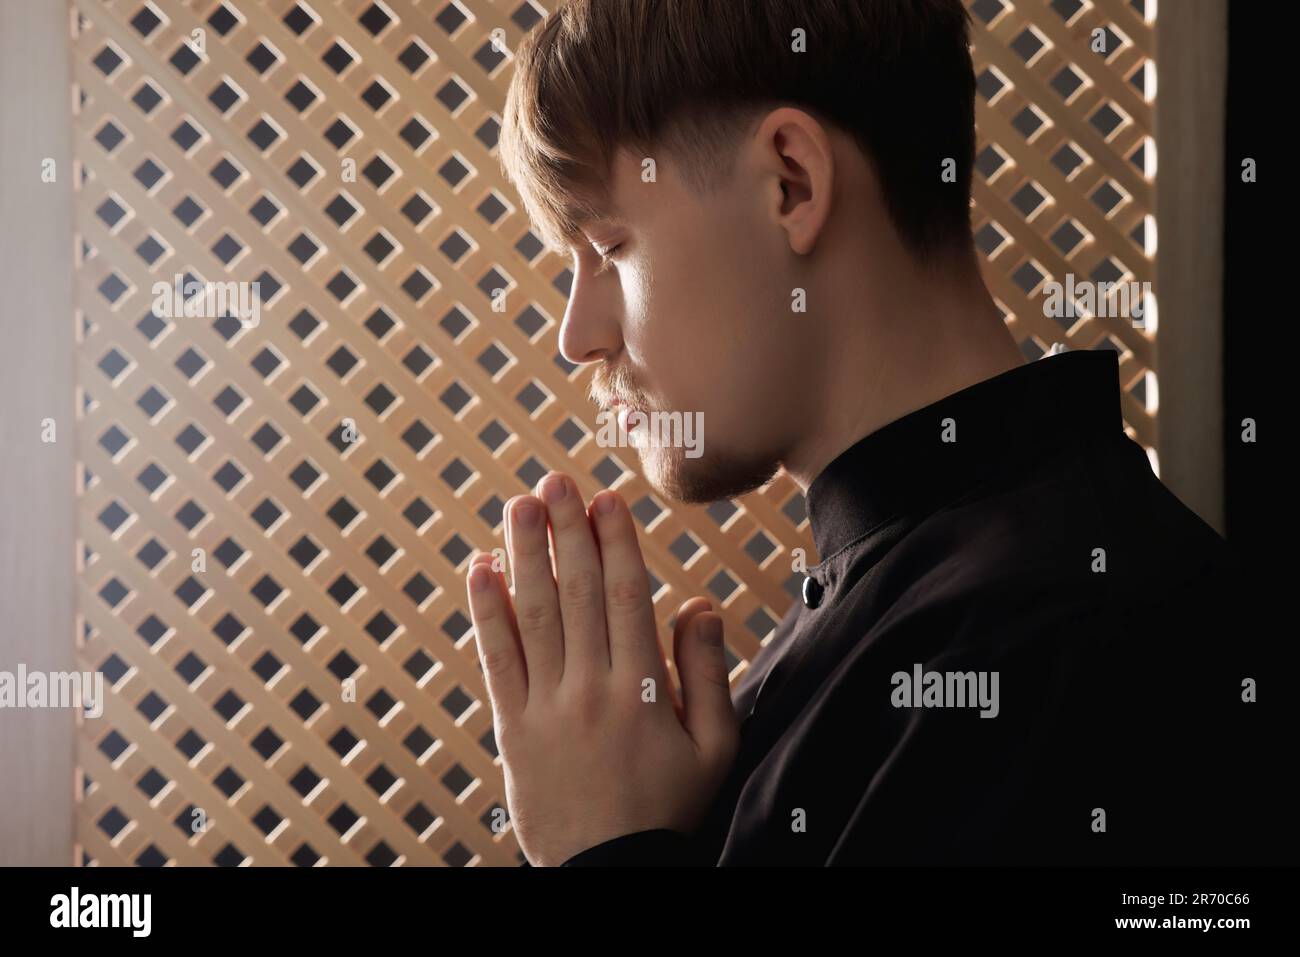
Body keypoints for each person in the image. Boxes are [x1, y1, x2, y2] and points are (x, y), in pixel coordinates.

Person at [462, 0, 1272, 866]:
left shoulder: (1059, 650)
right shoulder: (958, 596)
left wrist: (605, 847)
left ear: (792, 183)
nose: (576, 335)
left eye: (608, 247)